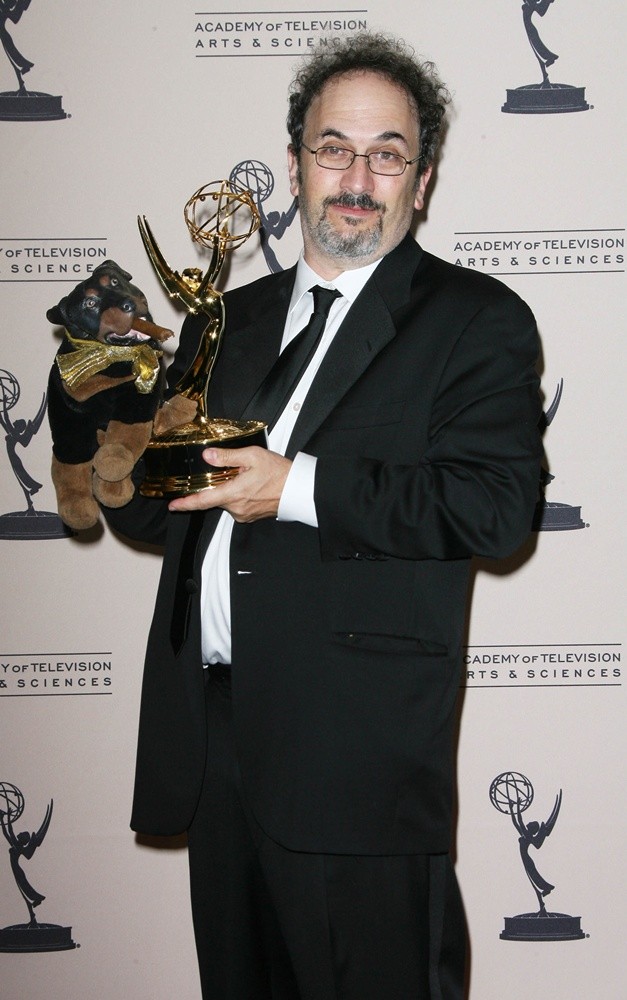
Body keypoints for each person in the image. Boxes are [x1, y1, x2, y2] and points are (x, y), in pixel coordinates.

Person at [104, 31, 542, 1000]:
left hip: (357, 759)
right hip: (215, 741)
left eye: (387, 153)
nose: (356, 177)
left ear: (421, 181)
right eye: (333, 147)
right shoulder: (228, 319)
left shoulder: (474, 319)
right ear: (296, 163)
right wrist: (109, 445)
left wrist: (295, 487)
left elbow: (496, 507)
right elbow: (165, 520)